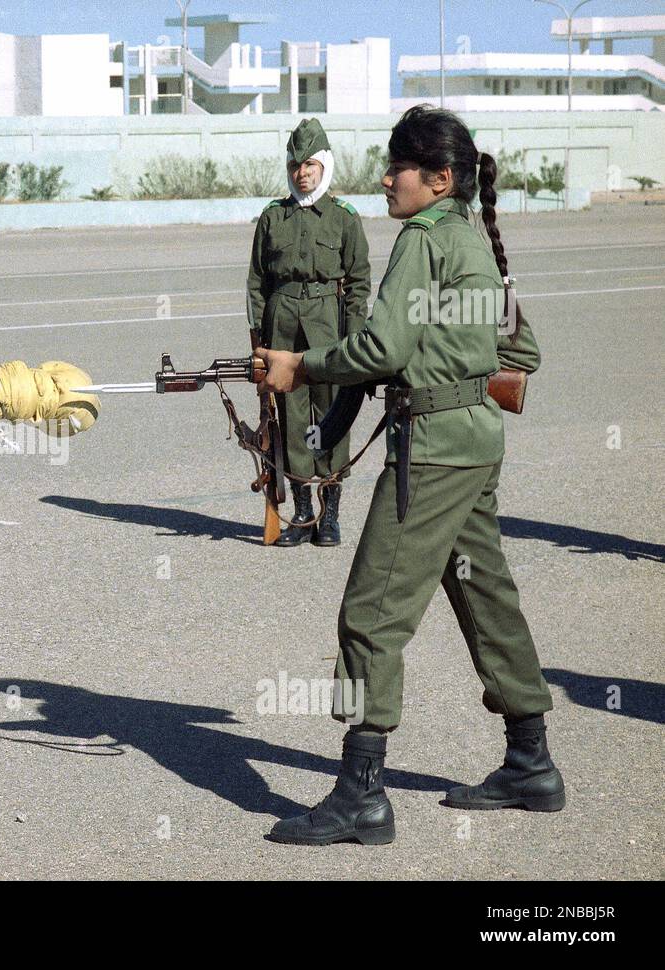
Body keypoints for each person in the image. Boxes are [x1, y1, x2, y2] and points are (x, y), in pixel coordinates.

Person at [255, 105, 560, 846]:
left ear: (440, 178)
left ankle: (361, 794)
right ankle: (531, 761)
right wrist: (459, 373)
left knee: (371, 614)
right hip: (473, 446)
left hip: (430, 455)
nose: (386, 179)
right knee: (485, 597)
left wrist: (303, 367)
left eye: (398, 167)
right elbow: (521, 350)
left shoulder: (423, 240)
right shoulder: (473, 238)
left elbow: (383, 347)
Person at [247, 118, 371, 546]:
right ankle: (301, 514)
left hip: (328, 327)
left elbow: (358, 284)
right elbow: (257, 281)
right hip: (281, 326)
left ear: (324, 166)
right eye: (295, 165)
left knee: (332, 413)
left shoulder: (344, 218)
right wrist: (258, 341)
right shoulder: (272, 217)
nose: (302, 173)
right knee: (291, 415)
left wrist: (354, 339)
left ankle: (329, 513)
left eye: (310, 165)